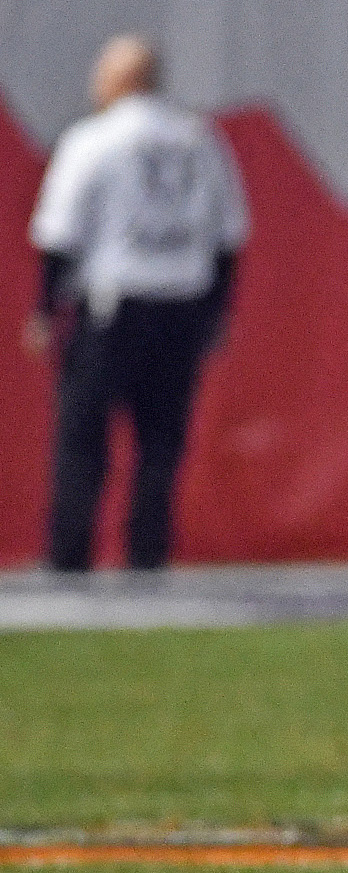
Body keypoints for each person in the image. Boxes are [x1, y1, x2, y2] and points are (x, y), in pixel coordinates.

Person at [27, 36, 249, 571]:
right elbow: (229, 234)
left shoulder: (93, 141)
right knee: (162, 440)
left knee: (83, 436)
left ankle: (70, 559)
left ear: (120, 80)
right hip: (182, 306)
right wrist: (217, 311)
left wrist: (42, 311)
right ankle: (148, 557)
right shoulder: (199, 139)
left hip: (113, 307)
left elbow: (59, 233)